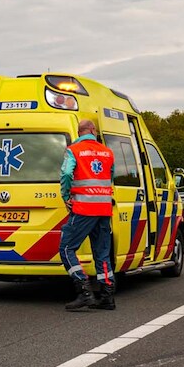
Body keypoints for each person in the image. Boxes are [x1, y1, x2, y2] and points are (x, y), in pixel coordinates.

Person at [58, 119, 116, 311]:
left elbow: (67, 174)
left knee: (67, 248)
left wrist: (66, 196)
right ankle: (107, 295)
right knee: (102, 252)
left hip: (84, 208)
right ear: (92, 130)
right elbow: (110, 177)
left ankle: (84, 291)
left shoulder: (73, 150)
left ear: (79, 132)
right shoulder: (107, 152)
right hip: (104, 209)